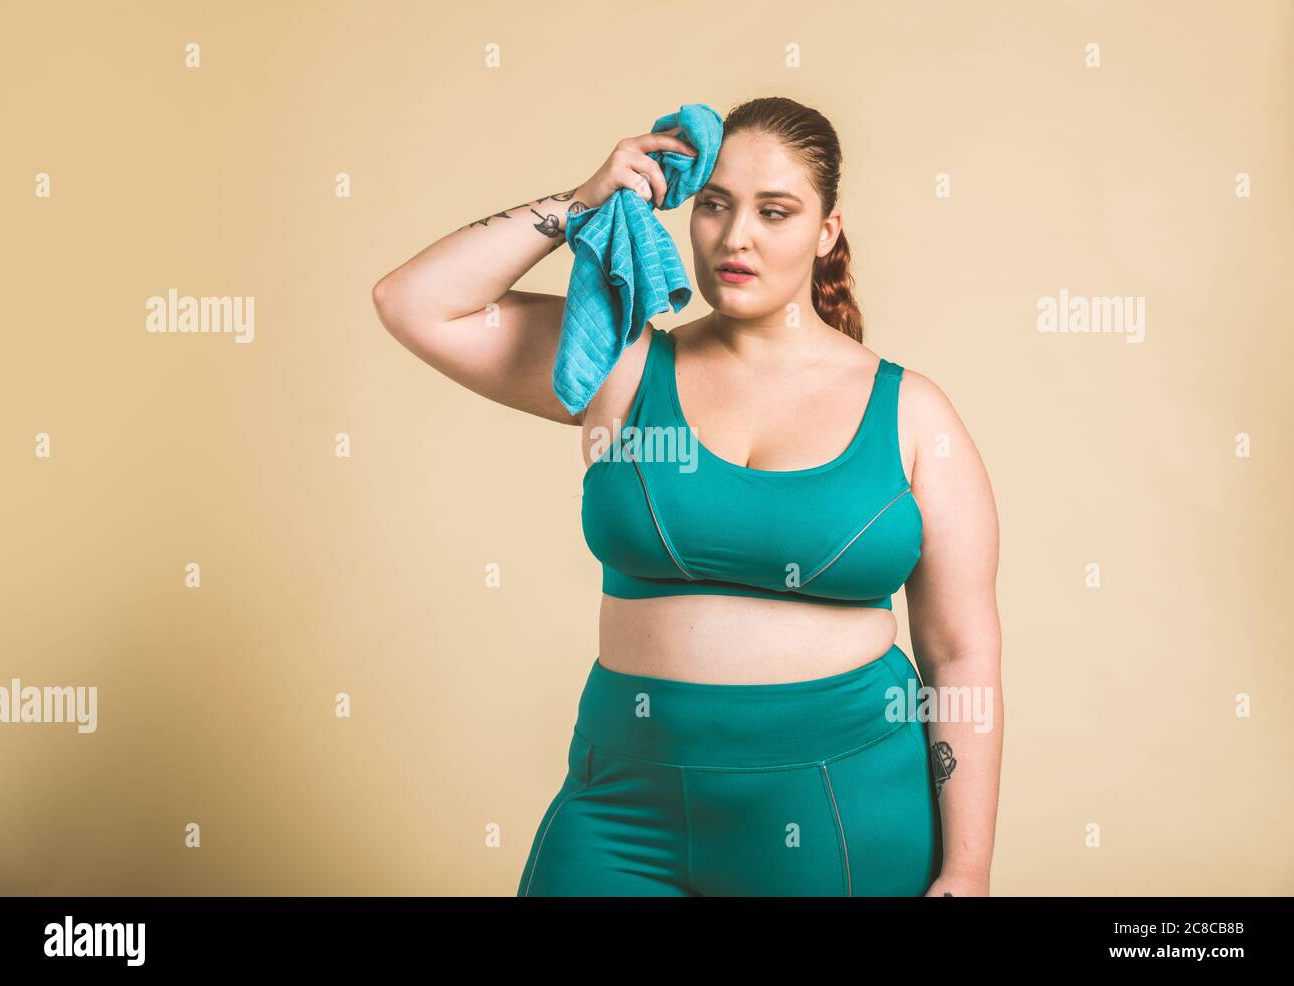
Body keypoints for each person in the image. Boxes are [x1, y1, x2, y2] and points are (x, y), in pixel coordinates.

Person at [372, 96, 1002, 896]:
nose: (736, 236)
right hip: (623, 815)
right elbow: (411, 301)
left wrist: (969, 868)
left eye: (775, 212)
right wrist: (581, 202)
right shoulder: (620, 366)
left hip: (840, 809)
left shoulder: (913, 415)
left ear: (826, 232)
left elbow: (960, 654)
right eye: (714, 205)